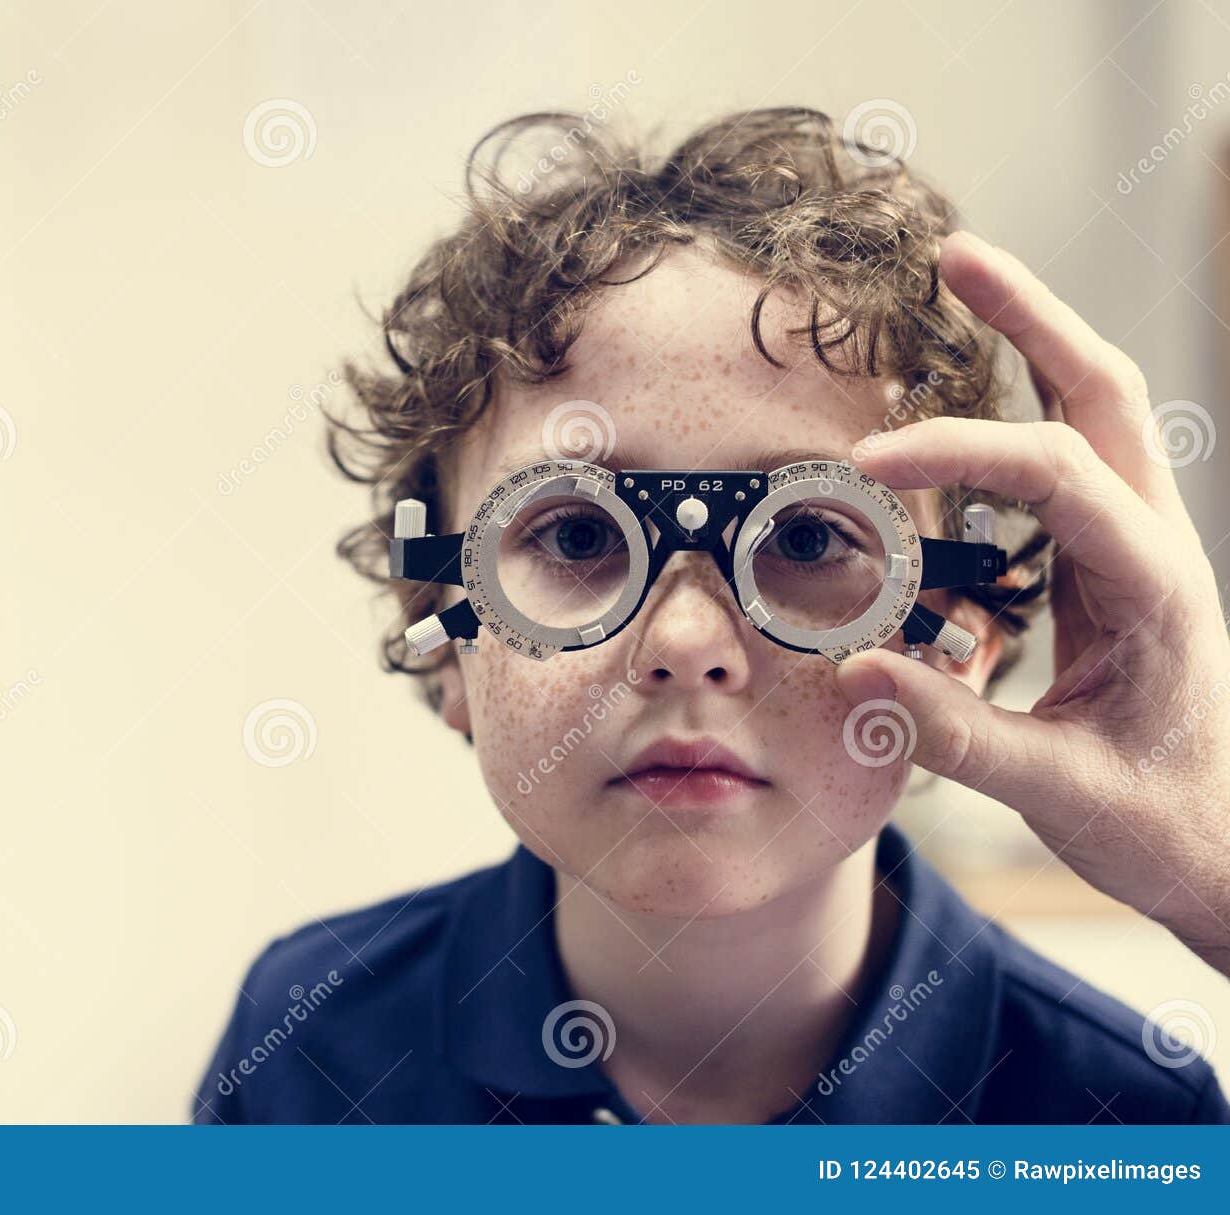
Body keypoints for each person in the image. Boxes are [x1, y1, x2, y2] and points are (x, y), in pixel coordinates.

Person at [192, 107, 1230, 1124]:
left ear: (965, 634)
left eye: (807, 538)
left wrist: (1210, 872)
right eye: (578, 535)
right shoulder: (310, 1056)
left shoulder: (1116, 1120)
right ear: (444, 632)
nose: (687, 646)